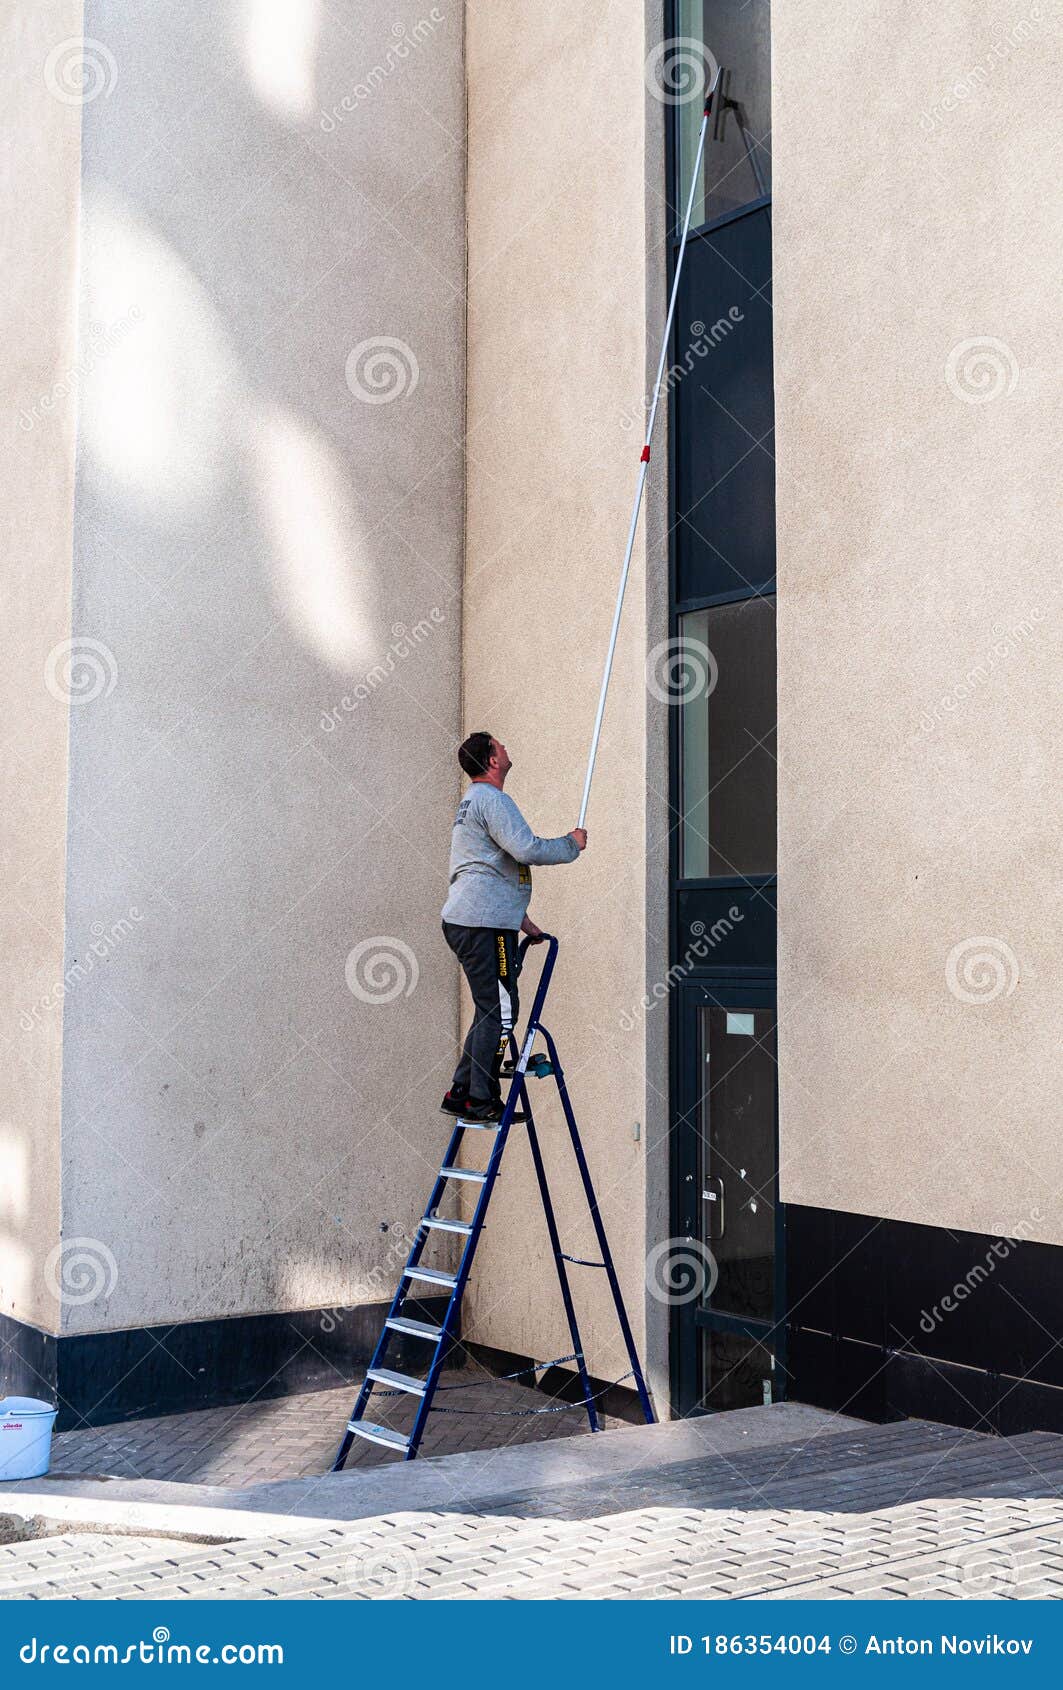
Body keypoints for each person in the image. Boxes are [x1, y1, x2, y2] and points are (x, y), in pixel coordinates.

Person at [440, 732, 587, 1122]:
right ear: (491, 760)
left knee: (490, 1007)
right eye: (500, 745)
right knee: (502, 1009)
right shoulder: (492, 800)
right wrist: (571, 844)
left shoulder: (473, 803)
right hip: (482, 925)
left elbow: (490, 870)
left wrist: (523, 922)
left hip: (474, 920)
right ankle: (480, 1100)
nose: (506, 748)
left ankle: (461, 1091)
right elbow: (526, 850)